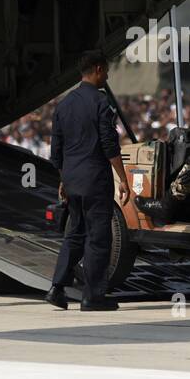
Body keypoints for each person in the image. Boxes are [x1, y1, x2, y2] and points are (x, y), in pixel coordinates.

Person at [47, 51, 133, 312]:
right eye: (105, 71)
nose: (107, 76)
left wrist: (64, 179)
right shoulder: (100, 102)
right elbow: (109, 144)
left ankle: (57, 287)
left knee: (74, 234)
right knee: (98, 238)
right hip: (95, 178)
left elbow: (56, 151)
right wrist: (123, 178)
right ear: (96, 69)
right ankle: (93, 297)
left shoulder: (63, 104)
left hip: (72, 179)